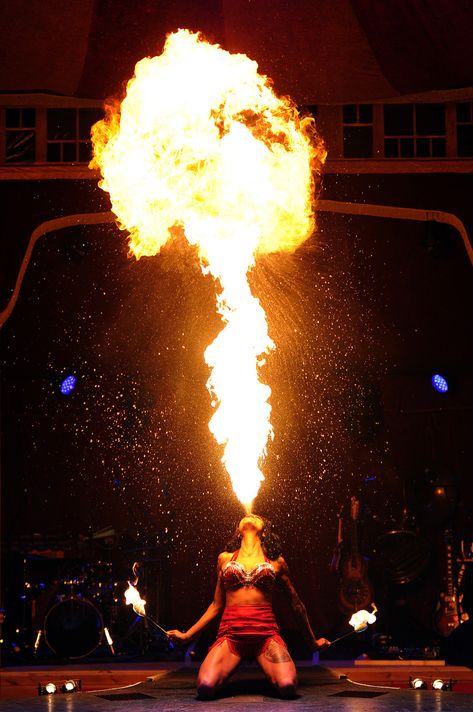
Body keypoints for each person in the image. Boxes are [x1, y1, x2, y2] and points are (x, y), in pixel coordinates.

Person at [167, 514, 330, 699]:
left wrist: (313, 642)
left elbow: (296, 605)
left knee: (287, 686)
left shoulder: (277, 562)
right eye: (246, 516)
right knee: (205, 687)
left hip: (266, 636)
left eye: (257, 516)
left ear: (264, 530)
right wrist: (187, 635)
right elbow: (216, 605)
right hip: (231, 636)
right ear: (238, 530)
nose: (250, 515)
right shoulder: (224, 559)